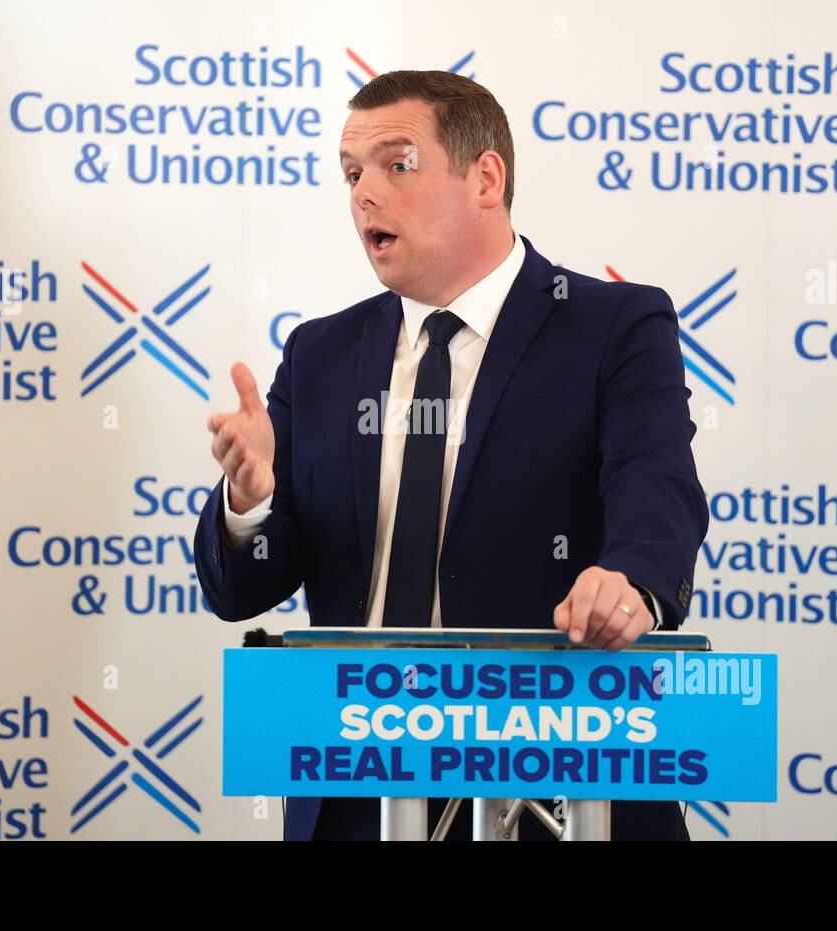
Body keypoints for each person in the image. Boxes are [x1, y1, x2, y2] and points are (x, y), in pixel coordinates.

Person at [194, 70, 709, 841]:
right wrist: (251, 501)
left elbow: (655, 477)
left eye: (396, 164)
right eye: (351, 173)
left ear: (485, 179)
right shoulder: (319, 354)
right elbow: (240, 589)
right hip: (352, 792)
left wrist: (630, 580)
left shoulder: (613, 325)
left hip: (550, 787)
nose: (364, 193)